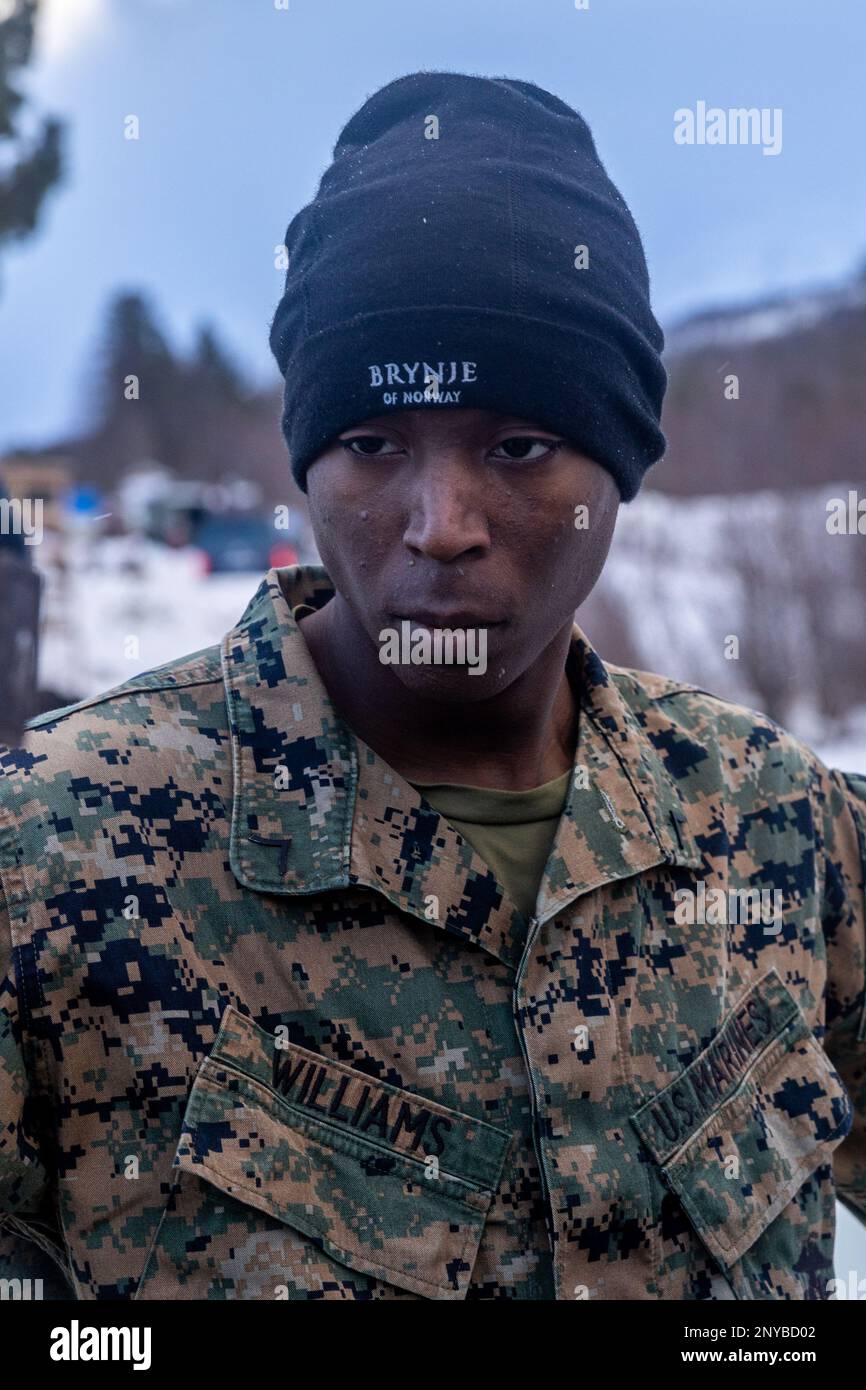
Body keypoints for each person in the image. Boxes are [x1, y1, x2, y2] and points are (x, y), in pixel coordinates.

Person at [1, 71, 864, 1302]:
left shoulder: (775, 827)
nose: (439, 524)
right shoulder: (54, 857)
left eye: (516, 446)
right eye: (372, 444)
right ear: (311, 462)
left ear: (619, 462)